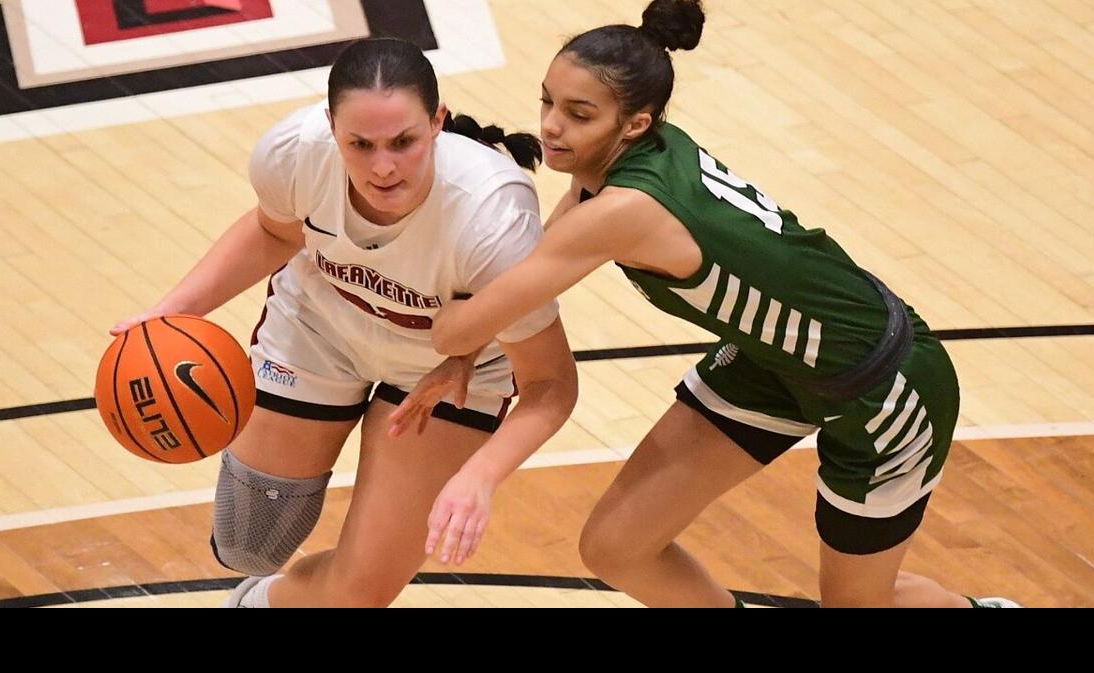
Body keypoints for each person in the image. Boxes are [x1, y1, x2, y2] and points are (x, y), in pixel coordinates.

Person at [431, 0, 1020, 608]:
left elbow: (457, 325)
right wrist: (472, 332)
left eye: (578, 114)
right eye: (547, 102)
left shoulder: (623, 211)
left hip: (881, 382)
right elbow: (523, 275)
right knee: (616, 546)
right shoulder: (615, 163)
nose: (552, 126)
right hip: (774, 359)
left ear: (635, 123)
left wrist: (437, 247)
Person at [112, 37, 578, 607]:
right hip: (320, 330)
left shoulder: (492, 217)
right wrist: (174, 312)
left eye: (403, 142)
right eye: (360, 144)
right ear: (331, 127)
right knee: (248, 544)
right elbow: (273, 233)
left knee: (358, 596)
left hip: (451, 373)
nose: (383, 167)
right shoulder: (295, 152)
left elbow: (550, 384)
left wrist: (480, 475)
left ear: (438, 121)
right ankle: (260, 581)